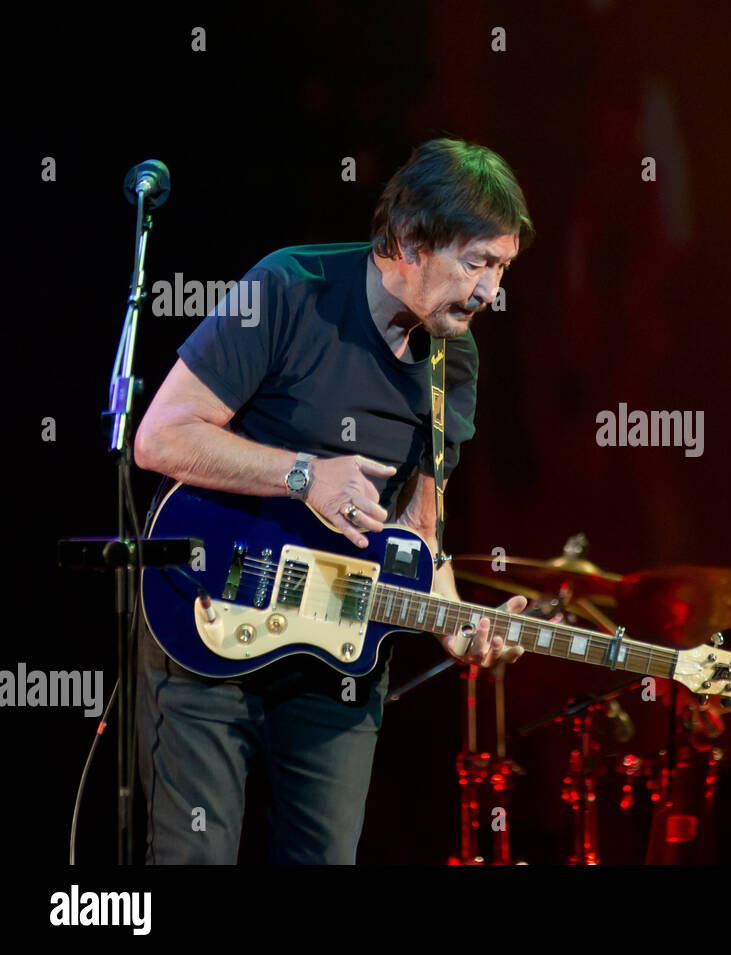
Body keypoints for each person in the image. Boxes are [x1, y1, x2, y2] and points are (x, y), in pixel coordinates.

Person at [132, 138, 533, 863]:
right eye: (476, 263)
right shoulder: (291, 286)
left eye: (502, 267)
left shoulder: (455, 357)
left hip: (339, 654)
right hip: (207, 610)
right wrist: (303, 475)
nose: (489, 291)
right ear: (410, 240)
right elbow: (160, 437)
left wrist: (456, 620)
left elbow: (420, 527)